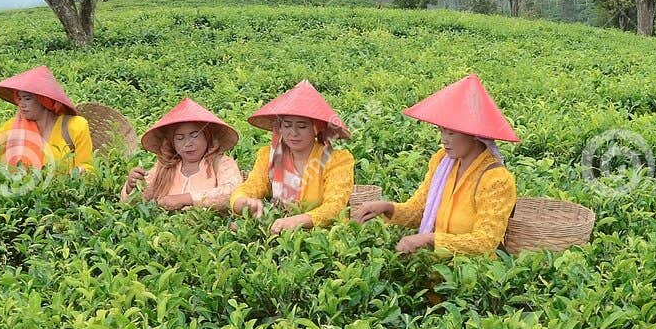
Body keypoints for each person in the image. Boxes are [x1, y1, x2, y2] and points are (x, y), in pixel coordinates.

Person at [351, 74, 518, 257]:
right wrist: (387, 207)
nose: (444, 140)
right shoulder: (442, 162)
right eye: (442, 131)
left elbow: (485, 242)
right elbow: (418, 210)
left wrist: (430, 239)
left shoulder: (497, 180)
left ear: (475, 135)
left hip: (474, 276)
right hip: (435, 270)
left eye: (451, 133)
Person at [229, 81, 354, 232]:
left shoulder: (336, 160)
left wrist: (298, 221)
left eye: (302, 126)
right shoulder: (269, 156)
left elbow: (335, 206)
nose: (293, 133)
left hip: (322, 236)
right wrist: (242, 201)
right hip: (278, 232)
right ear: (280, 127)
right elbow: (252, 186)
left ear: (315, 129)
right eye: (287, 125)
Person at [123, 98, 243, 210]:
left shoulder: (222, 163)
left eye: (195, 136)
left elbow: (232, 192)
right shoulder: (164, 166)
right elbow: (140, 201)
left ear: (207, 137)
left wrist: (186, 199)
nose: (188, 143)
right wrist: (132, 186)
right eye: (180, 138)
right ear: (172, 142)